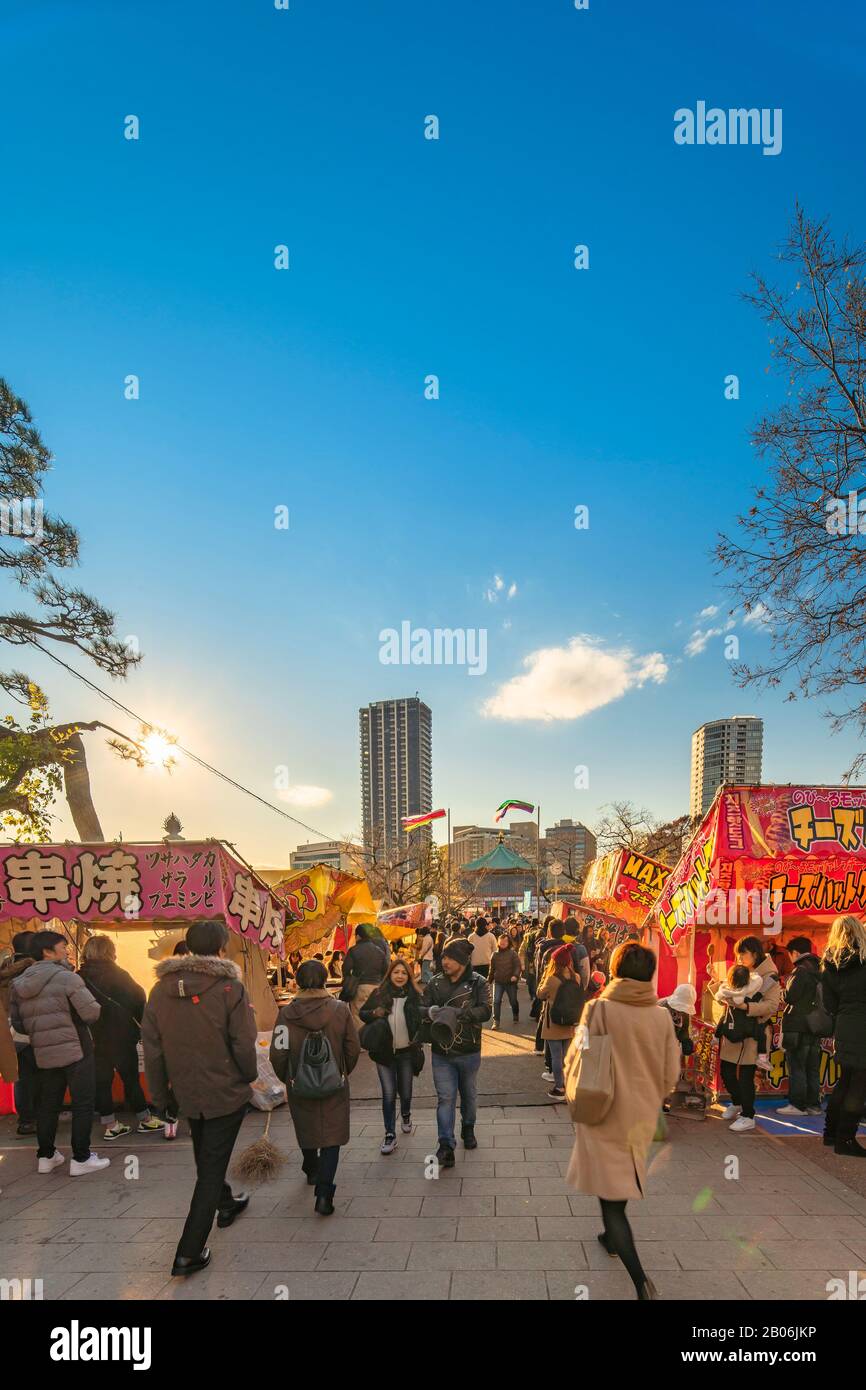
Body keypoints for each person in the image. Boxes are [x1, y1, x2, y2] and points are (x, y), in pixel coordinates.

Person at [566, 941, 681, 1300]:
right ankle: (608, 1237)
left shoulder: (598, 1008)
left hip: (603, 1113)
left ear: (615, 970)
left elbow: (577, 1057)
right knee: (618, 1185)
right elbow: (670, 1074)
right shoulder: (662, 1016)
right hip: (642, 1116)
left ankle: (640, 1283)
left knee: (611, 1199)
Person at [142, 919, 258, 1276]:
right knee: (209, 1167)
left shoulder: (160, 990)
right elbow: (243, 1041)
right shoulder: (229, 987)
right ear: (222, 948)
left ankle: (225, 1203)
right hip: (224, 1089)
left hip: (186, 1090)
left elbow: (153, 1048)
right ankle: (188, 1252)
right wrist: (249, 1076)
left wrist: (160, 1096)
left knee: (207, 1154)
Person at [9, 930, 108, 1177]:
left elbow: (19, 1025)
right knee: (83, 1102)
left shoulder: (18, 983)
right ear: (47, 951)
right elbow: (91, 1013)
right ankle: (81, 1158)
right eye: (62, 946)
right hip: (76, 1048)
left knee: (48, 1104)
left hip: (43, 1050)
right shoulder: (67, 978)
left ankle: (46, 1156)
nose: (66, 950)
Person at [270, 958, 361, 1212]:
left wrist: (288, 1077)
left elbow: (278, 1052)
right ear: (323, 980)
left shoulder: (286, 1014)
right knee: (332, 1135)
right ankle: (324, 1194)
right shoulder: (341, 1010)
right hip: (335, 1083)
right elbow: (353, 1047)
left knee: (307, 1126)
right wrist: (342, 1072)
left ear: (297, 981)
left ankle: (311, 1168)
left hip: (299, 1082)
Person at [78, 935, 163, 1140]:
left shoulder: (79, 977)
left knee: (102, 1082)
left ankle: (110, 1125)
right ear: (110, 951)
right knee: (131, 1079)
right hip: (122, 1037)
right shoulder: (119, 975)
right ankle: (144, 1120)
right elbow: (139, 998)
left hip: (93, 1038)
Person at [422, 938, 491, 1167]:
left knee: (469, 1094)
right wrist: (432, 1011)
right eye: (443, 957)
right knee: (446, 1097)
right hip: (442, 1051)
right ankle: (445, 1145)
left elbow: (486, 1011)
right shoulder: (435, 983)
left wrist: (460, 1014)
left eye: (450, 957)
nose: (445, 961)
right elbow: (421, 1008)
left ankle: (468, 1127)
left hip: (469, 1050)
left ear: (462, 961)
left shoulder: (478, 982)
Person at [707, 936, 781, 1133]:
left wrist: (746, 1006)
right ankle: (738, 1102)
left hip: (753, 1032)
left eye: (743, 953)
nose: (739, 957)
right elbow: (727, 994)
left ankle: (748, 1115)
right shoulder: (743, 972)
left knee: (746, 1077)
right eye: (737, 954)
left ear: (754, 954)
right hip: (734, 1030)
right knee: (727, 1072)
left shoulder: (769, 977)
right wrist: (716, 982)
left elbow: (772, 1006)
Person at [359, 957, 424, 1153]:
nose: (400, 976)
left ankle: (405, 1113)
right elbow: (363, 1013)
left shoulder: (415, 995)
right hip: (383, 1053)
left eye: (404, 973)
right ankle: (390, 1135)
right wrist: (374, 1013)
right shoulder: (379, 993)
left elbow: (423, 1021)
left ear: (409, 976)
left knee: (405, 1091)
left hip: (406, 1052)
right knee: (388, 1094)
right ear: (390, 974)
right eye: (396, 972)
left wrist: (418, 1037)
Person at [821, 914, 866, 1157]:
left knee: (845, 1081)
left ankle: (830, 1134)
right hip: (862, 1025)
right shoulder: (864, 960)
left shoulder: (829, 963)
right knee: (858, 1084)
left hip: (844, 1025)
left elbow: (829, 1003)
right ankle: (845, 1139)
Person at [777, 936, 824, 1118]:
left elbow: (790, 997)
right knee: (812, 1067)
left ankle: (797, 1105)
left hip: (797, 1026)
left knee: (797, 1065)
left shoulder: (800, 971)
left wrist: (782, 991)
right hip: (815, 1027)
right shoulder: (819, 969)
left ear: (795, 953)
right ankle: (814, 1105)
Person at [0, 931, 38, 1135]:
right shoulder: (34, 970)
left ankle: (26, 1120)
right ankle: (42, 1116)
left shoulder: (4, 968)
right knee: (43, 1076)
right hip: (33, 1030)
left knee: (22, 1077)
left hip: (11, 1033)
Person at [536, 945, 581, 1098]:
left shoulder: (551, 979)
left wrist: (543, 978)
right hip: (570, 1021)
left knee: (556, 1056)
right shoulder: (576, 977)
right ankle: (568, 1084)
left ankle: (559, 1087)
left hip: (553, 1023)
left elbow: (540, 994)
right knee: (567, 1056)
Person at [342, 923, 388, 1024]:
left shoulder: (354, 950)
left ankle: (361, 1038)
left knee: (358, 1016)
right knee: (373, 1015)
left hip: (360, 988)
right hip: (377, 987)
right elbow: (386, 969)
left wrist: (349, 981)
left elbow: (345, 969)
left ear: (358, 936)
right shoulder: (379, 951)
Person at [488, 932, 522, 1029]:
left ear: (508, 943)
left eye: (504, 942)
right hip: (498, 981)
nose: (502, 944)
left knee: (513, 1001)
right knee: (496, 1001)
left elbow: (517, 966)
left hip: (510, 982)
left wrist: (515, 976)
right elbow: (492, 969)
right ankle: (496, 1021)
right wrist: (488, 981)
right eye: (501, 942)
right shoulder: (494, 955)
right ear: (498, 942)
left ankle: (516, 1015)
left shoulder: (513, 953)